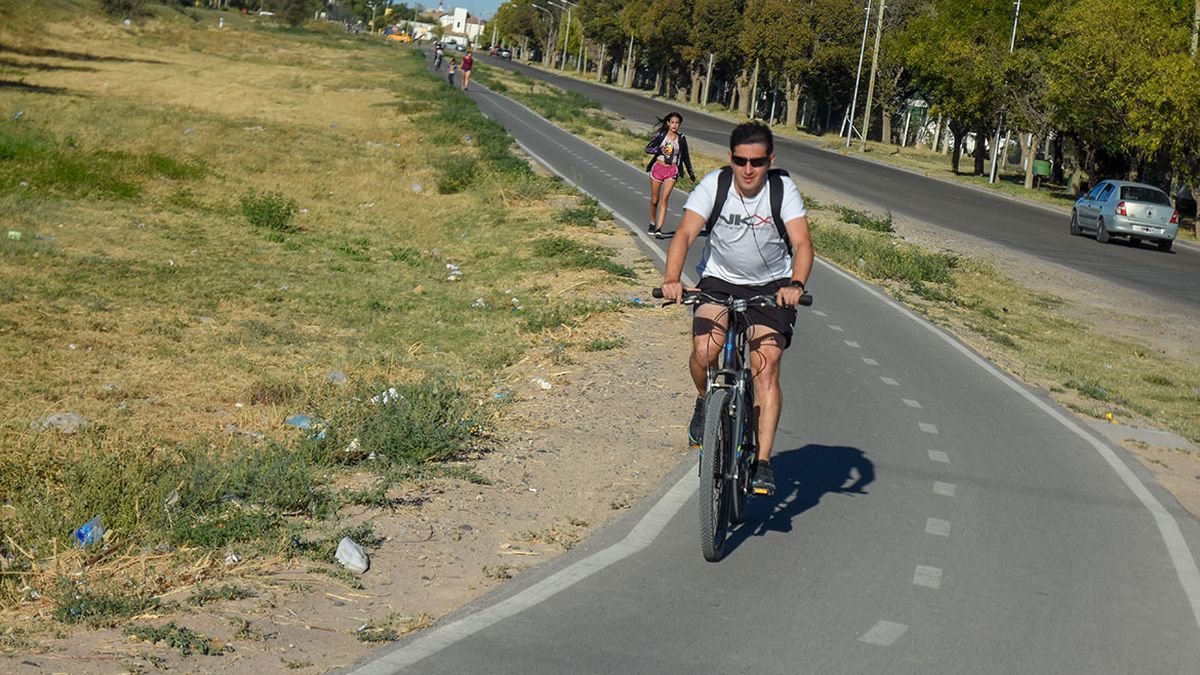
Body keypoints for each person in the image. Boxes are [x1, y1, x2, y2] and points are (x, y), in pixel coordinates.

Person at [660, 122, 814, 496]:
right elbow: (684, 233)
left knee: (766, 367)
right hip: (719, 280)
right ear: (730, 159)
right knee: (705, 350)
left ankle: (762, 462)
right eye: (741, 161)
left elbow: (803, 243)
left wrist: (795, 285)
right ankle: (704, 402)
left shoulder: (782, 190)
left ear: (770, 160)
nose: (749, 170)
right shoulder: (715, 186)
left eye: (757, 162)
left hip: (771, 287)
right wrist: (672, 278)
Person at [644, 112, 695, 239]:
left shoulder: (681, 139)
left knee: (665, 199)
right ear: (668, 123)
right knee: (655, 200)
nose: (674, 125)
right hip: (658, 169)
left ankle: (659, 229)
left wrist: (691, 172)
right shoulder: (661, 135)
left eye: (677, 123)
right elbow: (648, 148)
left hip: (672, 170)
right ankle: (652, 222)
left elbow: (685, 157)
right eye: (672, 122)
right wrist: (658, 150)